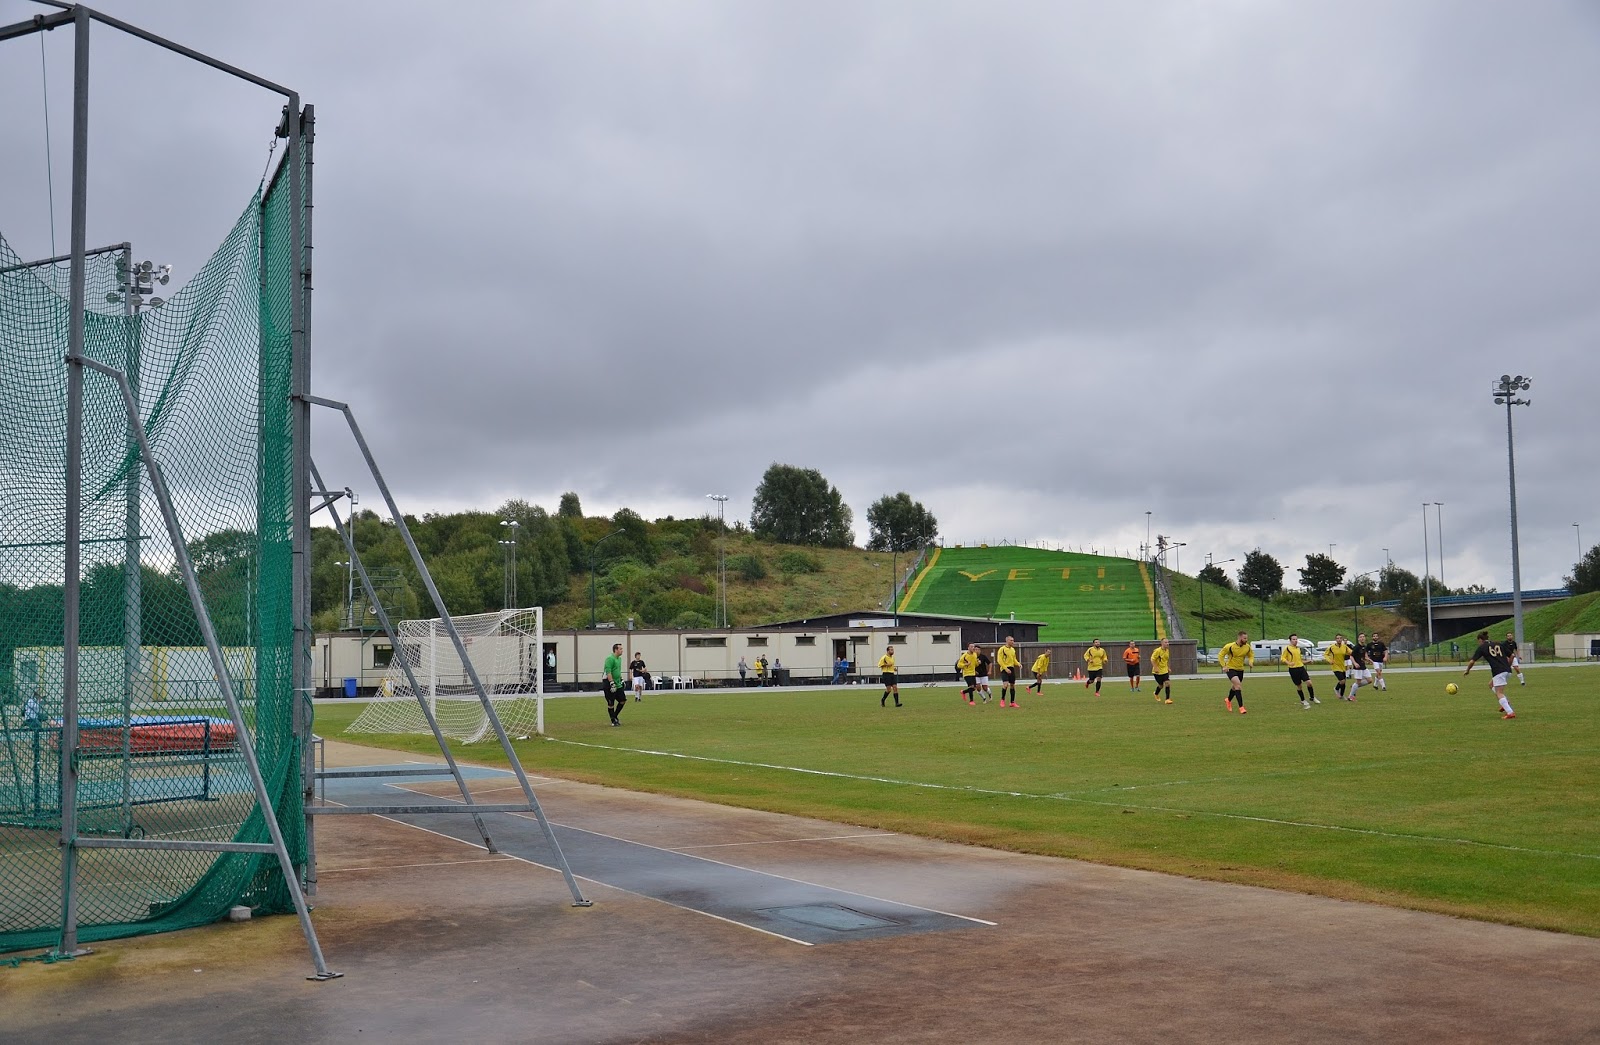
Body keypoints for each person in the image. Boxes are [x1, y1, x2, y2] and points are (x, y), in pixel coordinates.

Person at [1464, 630, 1517, 719]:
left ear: (1480, 640)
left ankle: (1510, 712)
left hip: (1498, 671)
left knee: (1499, 693)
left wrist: (1467, 670)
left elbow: (1472, 661)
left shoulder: (1482, 647)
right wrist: (1508, 665)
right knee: (1491, 684)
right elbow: (1512, 655)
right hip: (1507, 670)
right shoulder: (1498, 644)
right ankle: (1505, 702)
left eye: (1478, 641)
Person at [1218, 630, 1253, 714]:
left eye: (1246, 638)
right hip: (1230, 669)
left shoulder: (1247, 647)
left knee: (1235, 687)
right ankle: (1241, 707)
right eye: (1244, 638)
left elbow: (1251, 655)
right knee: (1238, 686)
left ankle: (1228, 700)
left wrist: (1251, 661)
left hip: (1240, 669)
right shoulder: (1230, 646)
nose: (1246, 640)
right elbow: (1220, 655)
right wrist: (1224, 665)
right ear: (1239, 638)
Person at [1281, 634, 1317, 708]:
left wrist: (1308, 661)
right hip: (1293, 670)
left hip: (1301, 668)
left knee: (1309, 683)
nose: (1295, 641)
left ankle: (1312, 697)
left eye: (1296, 639)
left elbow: (1299, 660)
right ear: (1290, 640)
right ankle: (1303, 700)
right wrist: (1289, 663)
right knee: (1299, 686)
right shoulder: (1287, 648)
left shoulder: (1298, 648)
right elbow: (1283, 658)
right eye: (1293, 639)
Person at [601, 643, 627, 726]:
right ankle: (613, 720)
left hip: (617, 682)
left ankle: (614, 716)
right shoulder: (610, 658)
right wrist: (611, 683)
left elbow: (617, 671)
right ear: (616, 650)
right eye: (620, 649)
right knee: (611, 703)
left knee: (622, 700)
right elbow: (608, 672)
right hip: (609, 683)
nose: (622, 650)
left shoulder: (619, 659)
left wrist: (621, 679)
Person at [995, 635, 1022, 707]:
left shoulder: (1013, 650)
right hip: (1004, 669)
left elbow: (1014, 659)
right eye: (1011, 640)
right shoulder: (1002, 649)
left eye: (1013, 640)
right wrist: (1005, 668)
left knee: (1012, 685)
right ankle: (1002, 700)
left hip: (1011, 668)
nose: (1013, 642)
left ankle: (1012, 702)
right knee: (1005, 684)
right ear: (1007, 641)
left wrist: (1018, 664)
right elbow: (999, 660)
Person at [1325, 633, 1353, 700]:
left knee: (1344, 682)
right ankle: (1336, 688)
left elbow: (1351, 652)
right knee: (1342, 681)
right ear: (1335, 639)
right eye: (1338, 638)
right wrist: (1329, 660)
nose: (1339, 639)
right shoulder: (1331, 647)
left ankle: (1342, 695)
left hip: (1342, 666)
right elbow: (1326, 654)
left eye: (1340, 638)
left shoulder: (1344, 647)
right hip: (1335, 666)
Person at [1347, 633, 1373, 700]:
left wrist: (1368, 660)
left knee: (1370, 680)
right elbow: (1351, 656)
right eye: (1361, 637)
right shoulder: (1356, 647)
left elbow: (1364, 656)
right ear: (1358, 639)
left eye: (1363, 637)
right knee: (1358, 681)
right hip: (1358, 668)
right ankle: (1350, 696)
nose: (1362, 638)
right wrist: (1355, 663)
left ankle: (1354, 686)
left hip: (1363, 666)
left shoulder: (1364, 646)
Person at [1149, 638, 1173, 704]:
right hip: (1157, 672)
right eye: (1165, 642)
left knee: (1167, 683)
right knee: (1161, 685)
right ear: (1162, 643)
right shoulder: (1157, 651)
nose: (1167, 643)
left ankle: (1167, 699)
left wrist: (1168, 668)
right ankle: (1156, 693)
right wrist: (1156, 668)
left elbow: (1166, 660)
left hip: (1165, 670)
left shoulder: (1167, 651)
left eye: (1168, 642)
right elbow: (1152, 659)